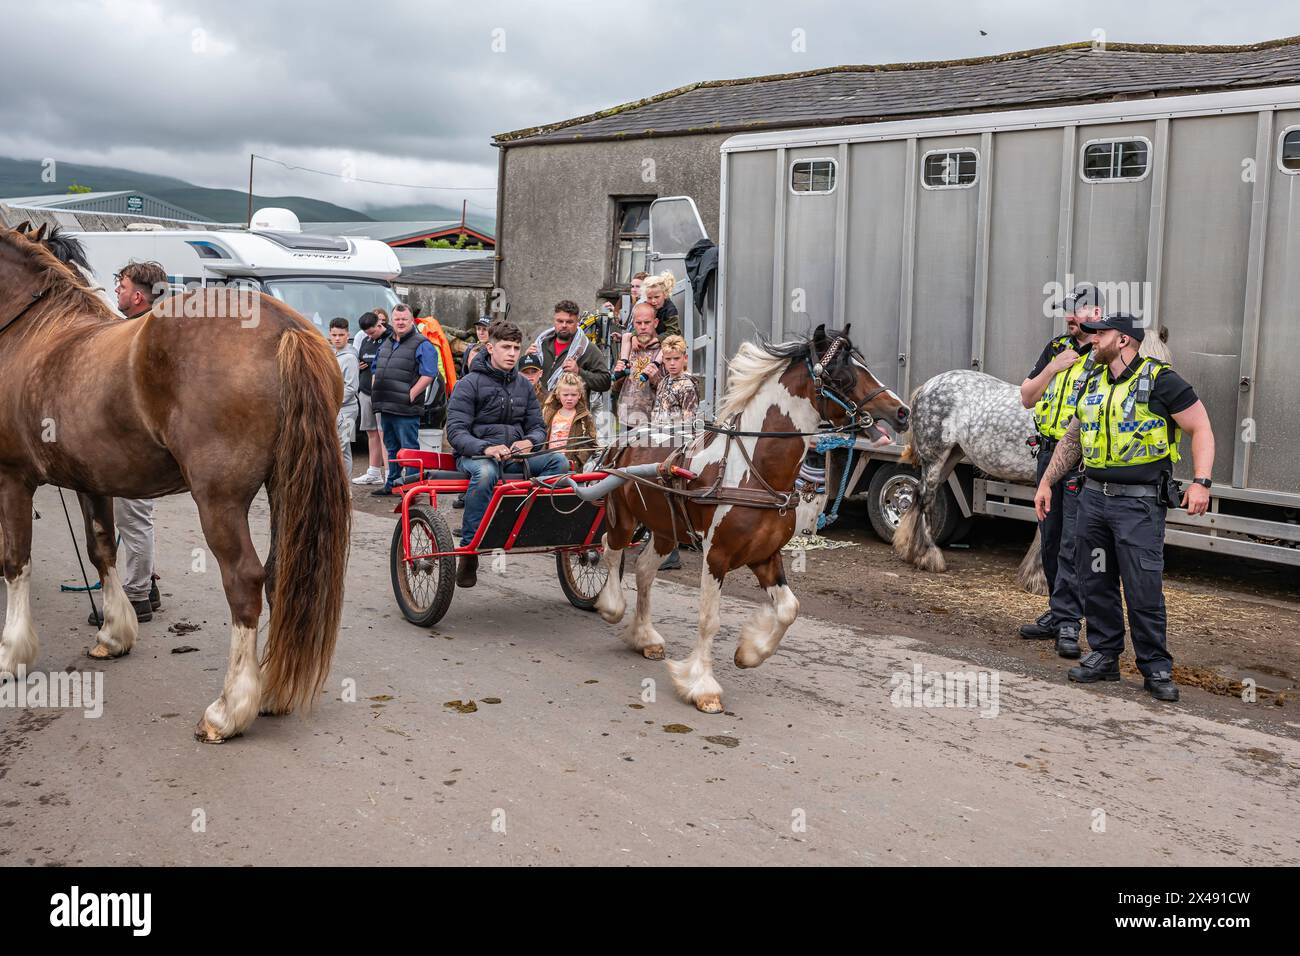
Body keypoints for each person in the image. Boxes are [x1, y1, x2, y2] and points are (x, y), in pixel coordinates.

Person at [1035, 312, 1215, 703]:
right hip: (1093, 499)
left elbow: (1200, 426)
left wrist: (1202, 482)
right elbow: (1074, 436)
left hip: (1139, 507)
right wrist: (1047, 482)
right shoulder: (1093, 380)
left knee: (1142, 587)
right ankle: (1105, 654)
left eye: (1101, 334)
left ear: (1124, 341)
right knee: (1095, 579)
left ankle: (1155, 666)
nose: (1093, 338)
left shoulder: (1161, 380)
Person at [445, 320, 570, 587]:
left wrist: (529, 442)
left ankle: (530, 523)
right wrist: (486, 448)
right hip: (475, 457)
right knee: (486, 471)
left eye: (516, 347)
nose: (513, 353)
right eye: (506, 347)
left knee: (559, 461)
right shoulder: (468, 384)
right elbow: (455, 432)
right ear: (490, 348)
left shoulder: (524, 386)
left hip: (516, 458)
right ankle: (470, 550)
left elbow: (537, 427)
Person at [1016, 283, 1102, 658]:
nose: (1068, 317)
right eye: (1067, 310)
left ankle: (1070, 622)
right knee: (1050, 538)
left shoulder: (1104, 351)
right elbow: (1027, 397)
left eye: (1076, 312)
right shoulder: (1056, 348)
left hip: (1081, 462)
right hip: (1047, 454)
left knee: (1072, 543)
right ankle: (1058, 610)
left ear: (1096, 314)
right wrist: (1053, 366)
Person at [89, 260, 167, 625]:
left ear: (137, 295)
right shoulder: (149, 327)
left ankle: (136, 596)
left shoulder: (142, 332)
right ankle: (146, 583)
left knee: (133, 518)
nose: (116, 291)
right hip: (139, 441)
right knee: (136, 518)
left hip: (135, 443)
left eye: (120, 286)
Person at [369, 303, 439, 496]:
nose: (400, 322)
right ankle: (392, 484)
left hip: (406, 408)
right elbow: (376, 369)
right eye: (397, 319)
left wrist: (411, 395)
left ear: (411, 321)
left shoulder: (422, 344)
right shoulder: (387, 342)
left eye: (404, 319)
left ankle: (411, 488)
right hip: (386, 405)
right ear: (392, 321)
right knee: (391, 447)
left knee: (409, 449)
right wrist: (377, 390)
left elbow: (429, 374)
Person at [650, 334, 699, 572]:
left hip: (675, 445)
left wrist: (670, 439)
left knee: (669, 495)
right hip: (658, 441)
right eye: (667, 359)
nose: (671, 363)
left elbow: (689, 422)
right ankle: (657, 540)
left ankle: (671, 550)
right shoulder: (663, 382)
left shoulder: (687, 385)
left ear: (684, 358)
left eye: (676, 358)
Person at [530, 299, 611, 400]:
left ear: (577, 322)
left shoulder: (587, 348)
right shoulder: (541, 345)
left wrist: (579, 372)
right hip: (540, 410)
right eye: (560, 321)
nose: (564, 325)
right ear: (554, 321)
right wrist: (528, 360)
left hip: (572, 413)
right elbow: (525, 379)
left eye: (569, 322)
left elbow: (605, 382)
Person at [352, 311, 391, 485]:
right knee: (371, 432)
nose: (370, 336)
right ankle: (374, 472)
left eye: (372, 332)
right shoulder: (366, 341)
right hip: (365, 391)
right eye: (367, 333)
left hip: (383, 394)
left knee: (385, 434)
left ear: (379, 325)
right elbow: (361, 360)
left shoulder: (391, 338)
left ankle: (390, 473)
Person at [613, 302, 662, 430]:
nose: (643, 327)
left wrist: (654, 380)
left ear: (655, 323)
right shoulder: (628, 347)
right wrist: (619, 375)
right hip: (628, 416)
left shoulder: (664, 349)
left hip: (655, 420)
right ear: (633, 324)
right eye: (638, 323)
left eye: (647, 322)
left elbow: (673, 388)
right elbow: (617, 388)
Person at [542, 372, 599, 471]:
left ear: (579, 395)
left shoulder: (585, 417)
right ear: (558, 394)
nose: (569, 398)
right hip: (548, 462)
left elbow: (590, 443)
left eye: (573, 395)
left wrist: (577, 462)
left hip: (571, 466)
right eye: (565, 395)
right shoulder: (548, 413)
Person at [328, 318, 360, 482]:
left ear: (348, 334)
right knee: (344, 449)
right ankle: (345, 487)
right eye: (334, 335)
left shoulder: (350, 358)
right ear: (330, 334)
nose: (337, 338)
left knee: (339, 448)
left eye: (341, 334)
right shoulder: (330, 353)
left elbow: (351, 388)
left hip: (347, 410)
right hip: (335, 408)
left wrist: (330, 401)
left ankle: (341, 486)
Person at [642, 271, 681, 337]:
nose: (653, 301)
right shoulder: (645, 307)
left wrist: (657, 339)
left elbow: (674, 331)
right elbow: (637, 324)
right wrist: (634, 336)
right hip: (648, 337)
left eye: (656, 297)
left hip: (667, 341)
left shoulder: (670, 309)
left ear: (665, 294)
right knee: (627, 336)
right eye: (649, 298)